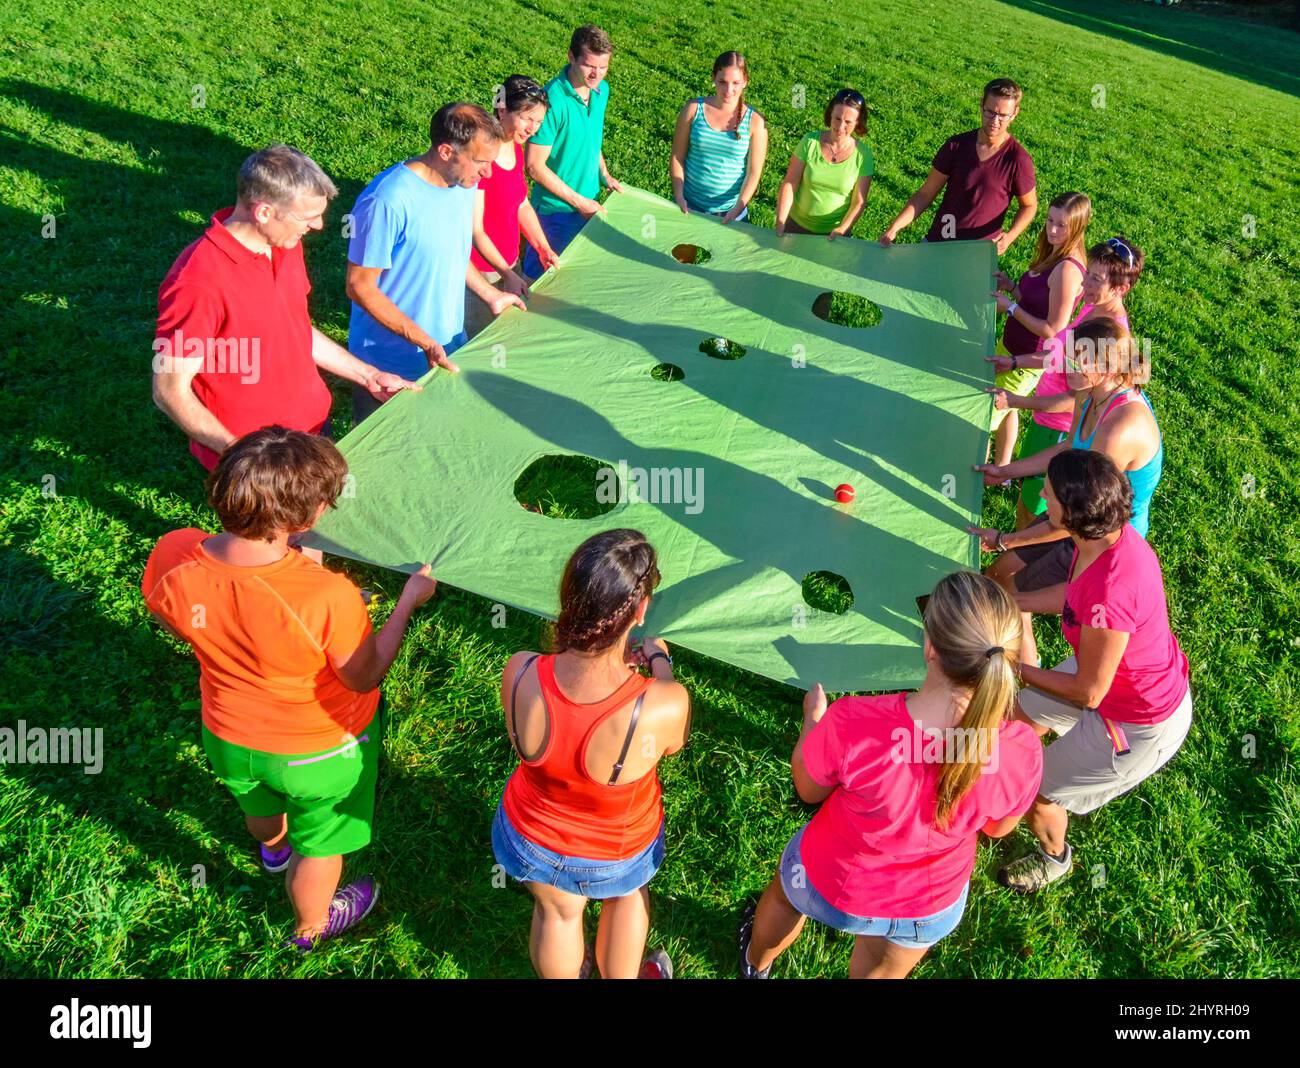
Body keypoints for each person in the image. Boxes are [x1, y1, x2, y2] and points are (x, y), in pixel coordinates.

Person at [140, 428, 438, 949]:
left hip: (228, 736)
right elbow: (363, 675)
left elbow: (166, 613)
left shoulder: (174, 552)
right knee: (321, 844)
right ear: (305, 520)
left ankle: (273, 850)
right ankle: (310, 926)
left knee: (259, 805)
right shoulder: (328, 595)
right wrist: (408, 602)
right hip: (320, 749)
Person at [738, 571, 1043, 979]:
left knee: (784, 900)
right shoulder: (1023, 750)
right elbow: (998, 830)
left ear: (931, 647)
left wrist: (813, 722)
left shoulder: (853, 722)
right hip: (929, 905)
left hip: (834, 879)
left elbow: (807, 789)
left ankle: (755, 966)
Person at [492, 530, 691, 979]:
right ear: (640, 610)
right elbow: (673, 746)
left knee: (557, 916)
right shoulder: (664, 701)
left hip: (530, 836)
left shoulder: (520, 668)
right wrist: (660, 663)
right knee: (627, 897)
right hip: (617, 850)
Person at [153, 145, 421, 471]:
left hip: (312, 430)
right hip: (259, 456)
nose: (319, 225)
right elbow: (169, 390)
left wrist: (370, 375)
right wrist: (242, 458)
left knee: (327, 518)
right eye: (308, 217)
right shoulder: (198, 281)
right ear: (263, 212)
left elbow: (295, 329)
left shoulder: (284, 245)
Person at [995, 450, 1192, 892]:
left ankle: (1054, 858)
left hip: (1135, 722)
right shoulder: (1106, 540)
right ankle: (996, 788)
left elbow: (1088, 693)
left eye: (1050, 493)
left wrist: (1016, 668)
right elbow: (1075, 592)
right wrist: (1015, 603)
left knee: (1040, 791)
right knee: (1018, 718)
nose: (1043, 494)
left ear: (1072, 514)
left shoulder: (1113, 590)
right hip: (1104, 671)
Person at [970, 318, 1163, 662]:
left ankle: (1024, 677)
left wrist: (1005, 538)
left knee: (1013, 595)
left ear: (1103, 368)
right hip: (1071, 512)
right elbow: (1068, 448)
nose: (1061, 366)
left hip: (1099, 542)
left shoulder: (1120, 429)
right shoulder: (1090, 393)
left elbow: (1075, 517)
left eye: (1072, 361)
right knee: (998, 574)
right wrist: (1004, 471)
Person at [346, 103, 525, 423]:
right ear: (446, 151)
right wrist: (423, 339)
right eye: (482, 162)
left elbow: (451, 253)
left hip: (447, 347)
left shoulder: (463, 185)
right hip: (391, 365)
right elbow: (359, 286)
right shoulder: (386, 202)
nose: (488, 173)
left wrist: (490, 294)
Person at [988, 236, 1145, 527]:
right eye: (1087, 274)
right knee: (1030, 497)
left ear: (1121, 288)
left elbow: (1077, 399)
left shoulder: (1109, 334)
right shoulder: (1092, 307)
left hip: (1062, 429)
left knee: (1041, 508)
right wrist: (1014, 362)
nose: (1084, 285)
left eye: (1096, 279)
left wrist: (1017, 401)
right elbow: (1058, 352)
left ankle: (1021, 554)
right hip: (1044, 420)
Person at [985, 191, 1090, 467]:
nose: (1052, 230)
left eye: (1061, 225)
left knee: (984, 418)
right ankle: (1003, 471)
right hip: (1013, 345)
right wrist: (1013, 288)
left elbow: (1054, 330)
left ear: (1078, 226)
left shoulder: (1068, 270)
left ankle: (971, 479)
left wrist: (1009, 308)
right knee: (1008, 408)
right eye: (1049, 220)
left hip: (1027, 357)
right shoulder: (1056, 252)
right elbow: (1037, 303)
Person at [879, 78, 1036, 254]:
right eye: (990, 112)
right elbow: (925, 194)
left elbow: (1029, 206)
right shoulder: (956, 146)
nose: (995, 121)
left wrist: (1010, 236)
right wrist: (895, 227)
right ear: (981, 105)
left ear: (1014, 113)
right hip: (939, 242)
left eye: (1003, 115)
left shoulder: (1018, 160)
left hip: (978, 254)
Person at [521, 25, 622, 279]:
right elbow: (534, 165)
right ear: (571, 57)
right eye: (589, 66)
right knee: (541, 284)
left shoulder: (601, 90)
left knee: (577, 283)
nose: (596, 74)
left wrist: (604, 174)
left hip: (589, 205)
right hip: (555, 213)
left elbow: (592, 138)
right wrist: (579, 203)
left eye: (603, 67)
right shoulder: (551, 101)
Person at [466, 75, 561, 340]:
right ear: (503, 109)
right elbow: (475, 231)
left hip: (509, 264)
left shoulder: (515, 147)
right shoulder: (482, 157)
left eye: (539, 121)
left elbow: (521, 203)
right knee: (483, 342)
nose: (533, 128)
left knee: (508, 336)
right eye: (527, 118)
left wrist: (542, 247)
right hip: (481, 274)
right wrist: (505, 274)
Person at [670, 51, 768, 222]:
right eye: (722, 82)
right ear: (713, 77)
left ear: (745, 82)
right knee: (681, 250)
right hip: (687, 204)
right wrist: (679, 195)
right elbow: (678, 156)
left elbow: (753, 173)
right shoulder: (693, 109)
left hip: (731, 212)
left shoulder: (755, 122)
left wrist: (738, 208)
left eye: (736, 83)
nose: (729, 90)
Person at [774, 88, 873, 239]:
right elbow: (790, 182)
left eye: (848, 122)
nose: (840, 127)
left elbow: (858, 202)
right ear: (830, 114)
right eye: (837, 119)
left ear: (858, 122)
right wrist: (781, 221)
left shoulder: (863, 156)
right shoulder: (809, 141)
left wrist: (841, 229)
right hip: (796, 226)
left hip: (834, 235)